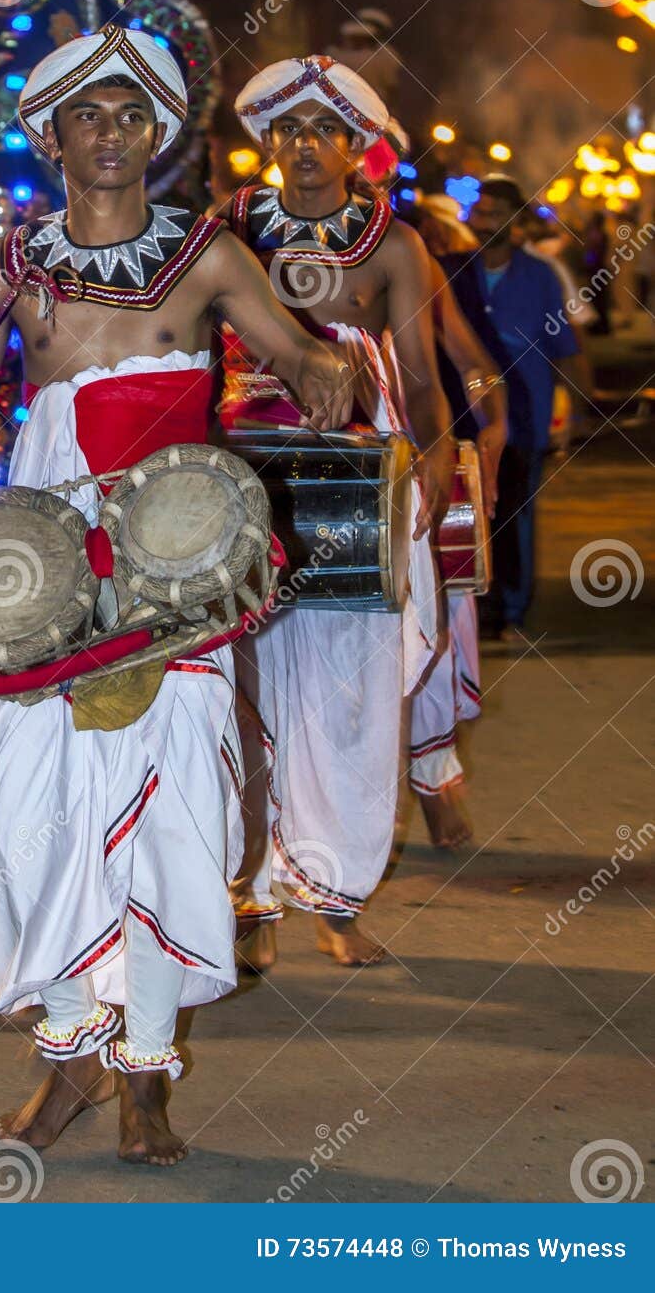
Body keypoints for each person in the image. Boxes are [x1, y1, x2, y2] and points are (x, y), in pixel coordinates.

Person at [0, 25, 351, 1166]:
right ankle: (66, 1058)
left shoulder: (208, 254)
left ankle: (145, 1073)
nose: (111, 134)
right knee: (30, 808)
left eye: (131, 115)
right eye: (88, 116)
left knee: (173, 816)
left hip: (172, 568)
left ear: (156, 134)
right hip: (44, 577)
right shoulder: (12, 263)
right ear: (52, 136)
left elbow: (300, 358)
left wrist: (320, 369)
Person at [222, 55, 455, 968]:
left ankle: (333, 893)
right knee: (243, 685)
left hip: (357, 481)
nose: (306, 146)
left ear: (357, 146)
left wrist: (431, 458)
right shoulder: (227, 234)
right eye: (289, 130)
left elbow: (426, 377)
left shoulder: (395, 245)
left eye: (325, 130)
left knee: (349, 691)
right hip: (245, 480)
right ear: (267, 142)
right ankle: (244, 892)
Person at [441, 174, 579, 643]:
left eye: (498, 214)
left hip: (524, 415)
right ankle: (472, 604)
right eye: (481, 213)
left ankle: (513, 609)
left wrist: (570, 412)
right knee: (466, 507)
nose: (488, 222)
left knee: (515, 511)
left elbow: (565, 349)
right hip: (463, 413)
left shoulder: (541, 275)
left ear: (517, 221)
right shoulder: (451, 271)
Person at [405, 252, 507, 849]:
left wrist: (490, 421)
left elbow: (472, 364)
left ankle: (432, 777)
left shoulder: (403, 253)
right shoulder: (249, 238)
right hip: (303, 456)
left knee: (430, 628)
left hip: (411, 451)